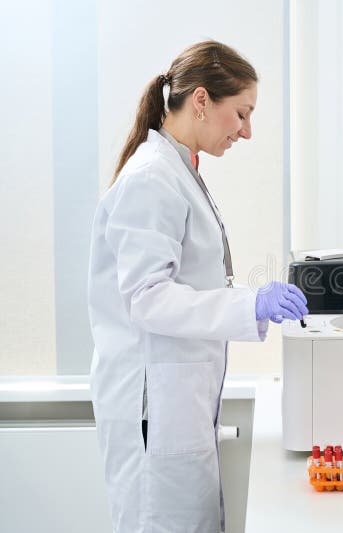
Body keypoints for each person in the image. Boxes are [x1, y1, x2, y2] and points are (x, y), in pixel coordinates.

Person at [87, 41, 308, 533]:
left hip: (177, 404)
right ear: (203, 100)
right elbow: (147, 299)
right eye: (242, 113)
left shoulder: (178, 170)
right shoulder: (153, 178)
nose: (247, 131)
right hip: (155, 411)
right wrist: (250, 303)